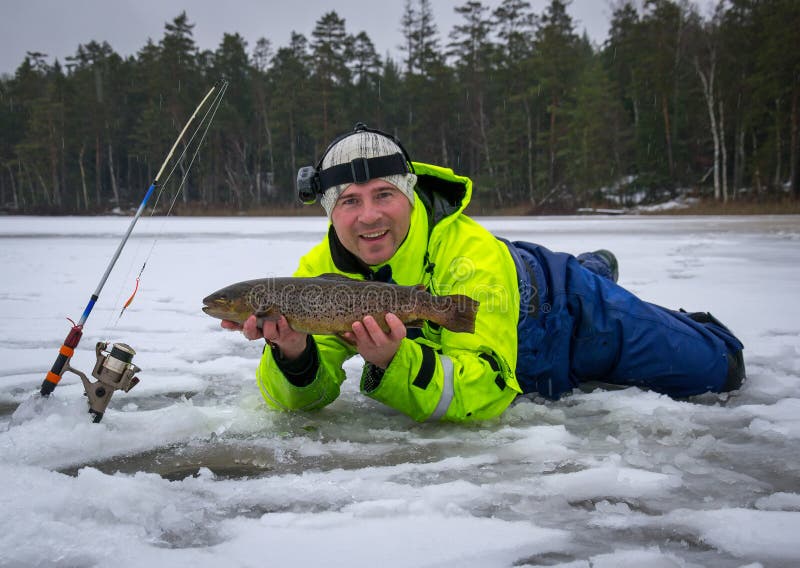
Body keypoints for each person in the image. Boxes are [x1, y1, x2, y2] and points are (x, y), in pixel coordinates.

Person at [221, 123, 745, 422]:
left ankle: (595, 280)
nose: (369, 216)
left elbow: (491, 390)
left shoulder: (470, 254)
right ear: (330, 212)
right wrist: (292, 355)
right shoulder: (315, 276)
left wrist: (397, 359)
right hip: (498, 304)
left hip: (561, 310)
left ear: (408, 195)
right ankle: (597, 266)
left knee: (720, 367)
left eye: (384, 195)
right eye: (350, 201)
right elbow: (301, 401)